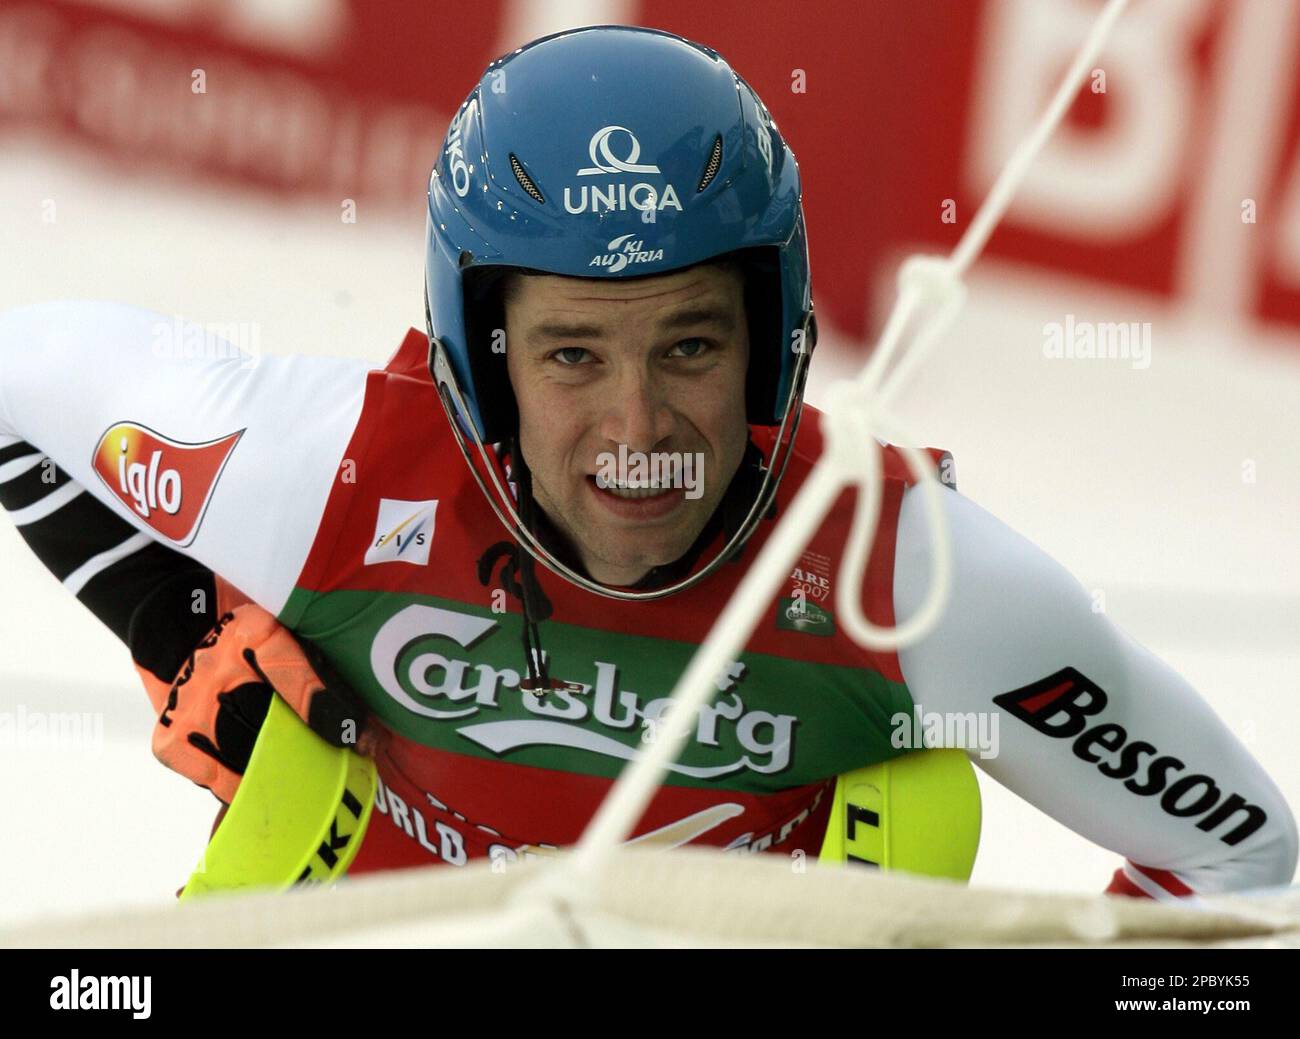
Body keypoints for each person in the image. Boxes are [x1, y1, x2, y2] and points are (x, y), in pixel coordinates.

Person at [0, 25, 1294, 899]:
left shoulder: (907, 583)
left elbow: (1248, 875)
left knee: (920, 806)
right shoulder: (320, 472)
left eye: (688, 348)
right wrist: (176, 621)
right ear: (480, 357)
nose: (636, 435)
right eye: (570, 358)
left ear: (771, 342)